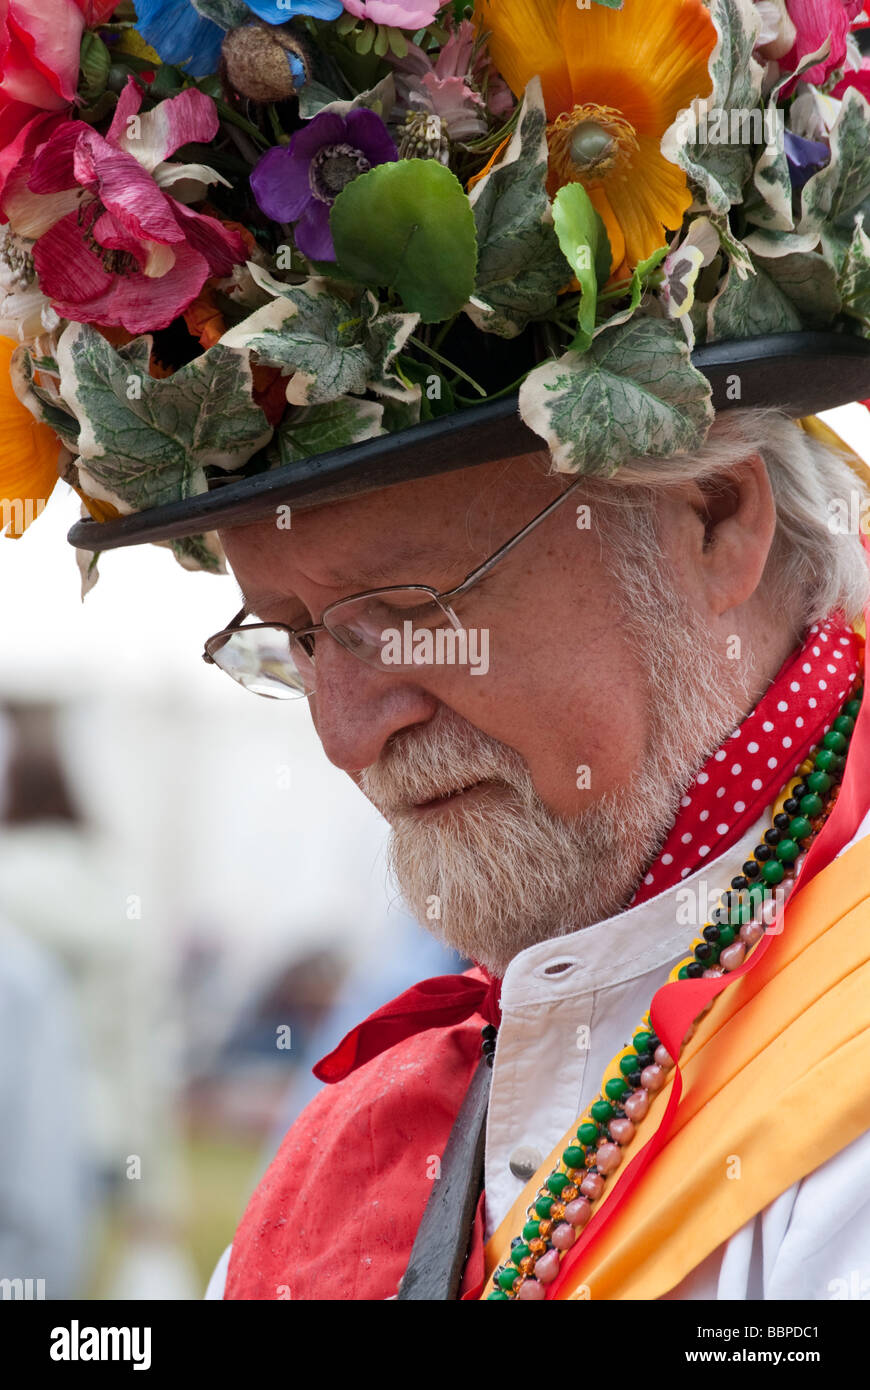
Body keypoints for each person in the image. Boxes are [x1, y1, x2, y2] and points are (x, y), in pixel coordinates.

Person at [4, 0, 870, 1301]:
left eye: (407, 608)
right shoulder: (388, 1117)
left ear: (711, 514)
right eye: (293, 636)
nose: (346, 730)